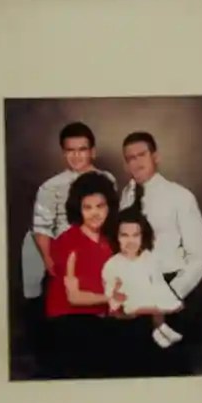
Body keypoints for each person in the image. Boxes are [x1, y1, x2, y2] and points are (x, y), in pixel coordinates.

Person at [117, 131, 202, 346]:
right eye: (130, 158)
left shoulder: (180, 196)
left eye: (142, 155)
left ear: (155, 156)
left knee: (168, 363)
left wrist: (171, 294)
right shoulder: (126, 195)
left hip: (168, 284)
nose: (136, 162)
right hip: (134, 289)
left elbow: (200, 255)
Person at [20, 122, 117, 301]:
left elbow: (112, 220)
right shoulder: (50, 187)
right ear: (63, 152)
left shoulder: (107, 179)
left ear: (92, 152)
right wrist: (50, 263)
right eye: (70, 150)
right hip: (67, 258)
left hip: (100, 256)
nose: (76, 155)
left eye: (82, 149)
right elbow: (42, 229)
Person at [38, 171, 120, 378]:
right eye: (87, 207)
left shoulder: (108, 241)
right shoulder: (68, 242)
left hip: (100, 318)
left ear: (109, 207)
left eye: (100, 206)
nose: (95, 213)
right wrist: (111, 299)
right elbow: (74, 297)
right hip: (70, 322)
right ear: (78, 209)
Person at [102, 208, 184, 349]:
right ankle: (158, 329)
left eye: (135, 235)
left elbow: (158, 282)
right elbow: (111, 298)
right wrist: (116, 295)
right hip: (129, 307)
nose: (130, 241)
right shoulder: (112, 264)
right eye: (124, 235)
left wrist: (166, 299)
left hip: (149, 300)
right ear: (116, 237)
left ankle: (160, 329)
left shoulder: (148, 257)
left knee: (161, 296)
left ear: (143, 236)